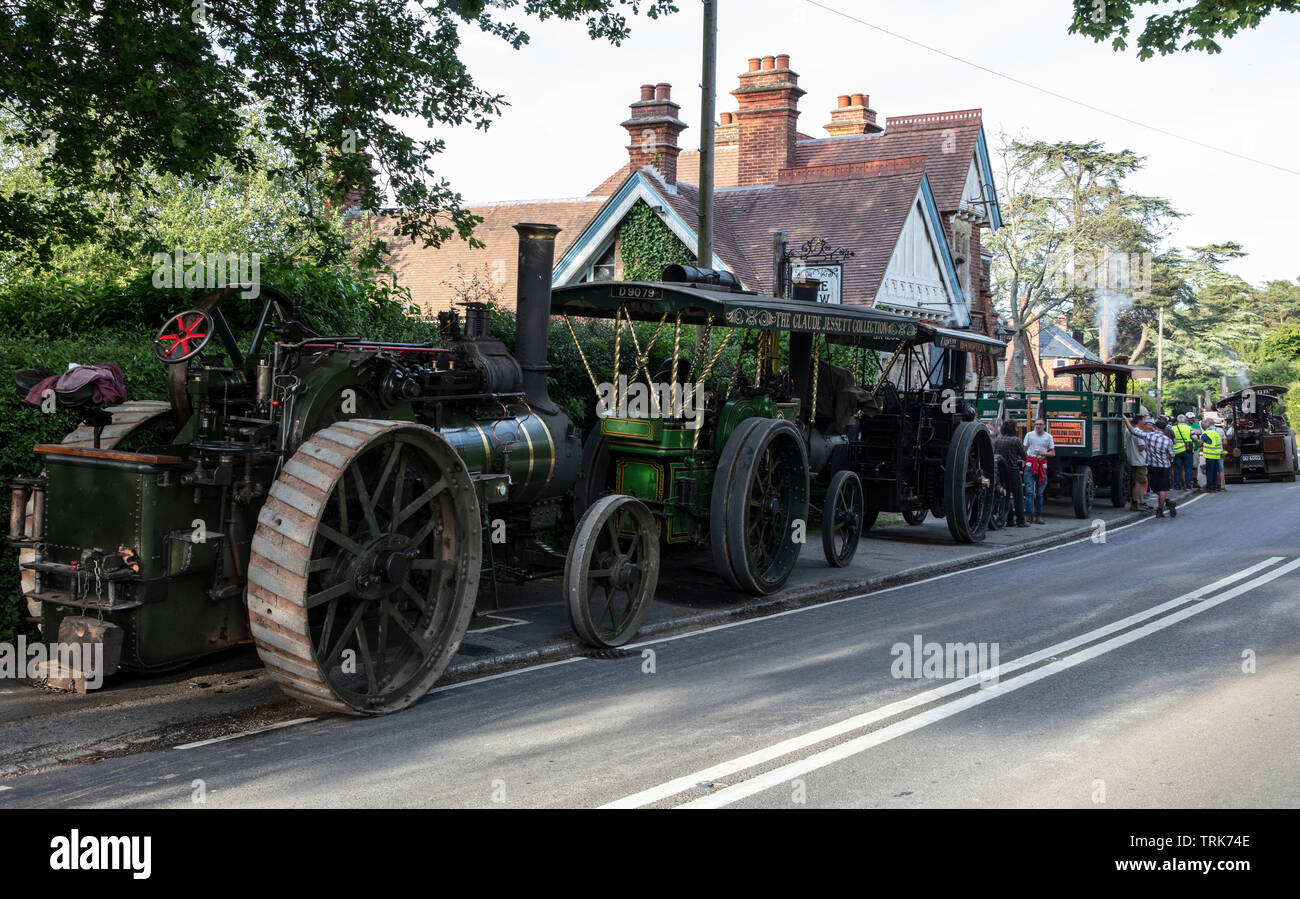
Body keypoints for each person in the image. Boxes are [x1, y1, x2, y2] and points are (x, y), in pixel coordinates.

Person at [993, 419, 1030, 528]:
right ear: (1013, 428)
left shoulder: (998, 439)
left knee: (1005, 495)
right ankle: (1021, 520)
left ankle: (1008, 520)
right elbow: (1024, 457)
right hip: (1013, 470)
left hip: (1001, 471)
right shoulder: (1016, 440)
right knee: (1018, 496)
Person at [1022, 417, 1054, 524]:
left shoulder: (1048, 437)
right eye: (1036, 424)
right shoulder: (1029, 435)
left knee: (1040, 493)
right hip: (1030, 465)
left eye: (1040, 424)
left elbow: (1052, 453)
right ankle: (1028, 515)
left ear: (1044, 426)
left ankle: (1039, 515)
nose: (1038, 426)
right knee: (1029, 492)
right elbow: (1024, 450)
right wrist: (1023, 460)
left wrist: (1043, 453)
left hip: (1042, 466)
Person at [1145, 417, 1178, 517]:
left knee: (1155, 488)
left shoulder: (1149, 436)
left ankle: (1161, 508)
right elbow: (1172, 455)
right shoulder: (1168, 440)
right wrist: (1164, 456)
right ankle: (1165, 504)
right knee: (1162, 488)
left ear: (1155, 427)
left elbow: (1135, 432)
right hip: (1164, 467)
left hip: (1152, 466)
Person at [1123, 413, 1150, 513]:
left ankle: (1139, 502)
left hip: (1133, 459)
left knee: (1138, 482)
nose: (1145, 422)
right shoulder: (1139, 433)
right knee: (1140, 482)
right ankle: (1135, 503)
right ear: (1139, 421)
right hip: (1140, 461)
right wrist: (1149, 445)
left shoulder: (1131, 432)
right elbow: (1141, 447)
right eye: (1144, 420)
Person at [1201, 414, 1225, 492]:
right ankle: (1221, 486)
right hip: (1218, 453)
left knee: (1210, 471)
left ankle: (1210, 487)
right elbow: (1224, 442)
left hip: (1210, 455)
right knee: (1219, 470)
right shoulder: (1218, 432)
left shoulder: (1206, 433)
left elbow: (1200, 444)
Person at [1170, 413, 1195, 490]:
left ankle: (1177, 485)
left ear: (1177, 420)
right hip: (1187, 450)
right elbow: (1195, 438)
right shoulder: (1189, 428)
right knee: (1188, 468)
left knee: (1177, 469)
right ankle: (1188, 485)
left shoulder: (1172, 428)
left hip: (1177, 451)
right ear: (1185, 420)